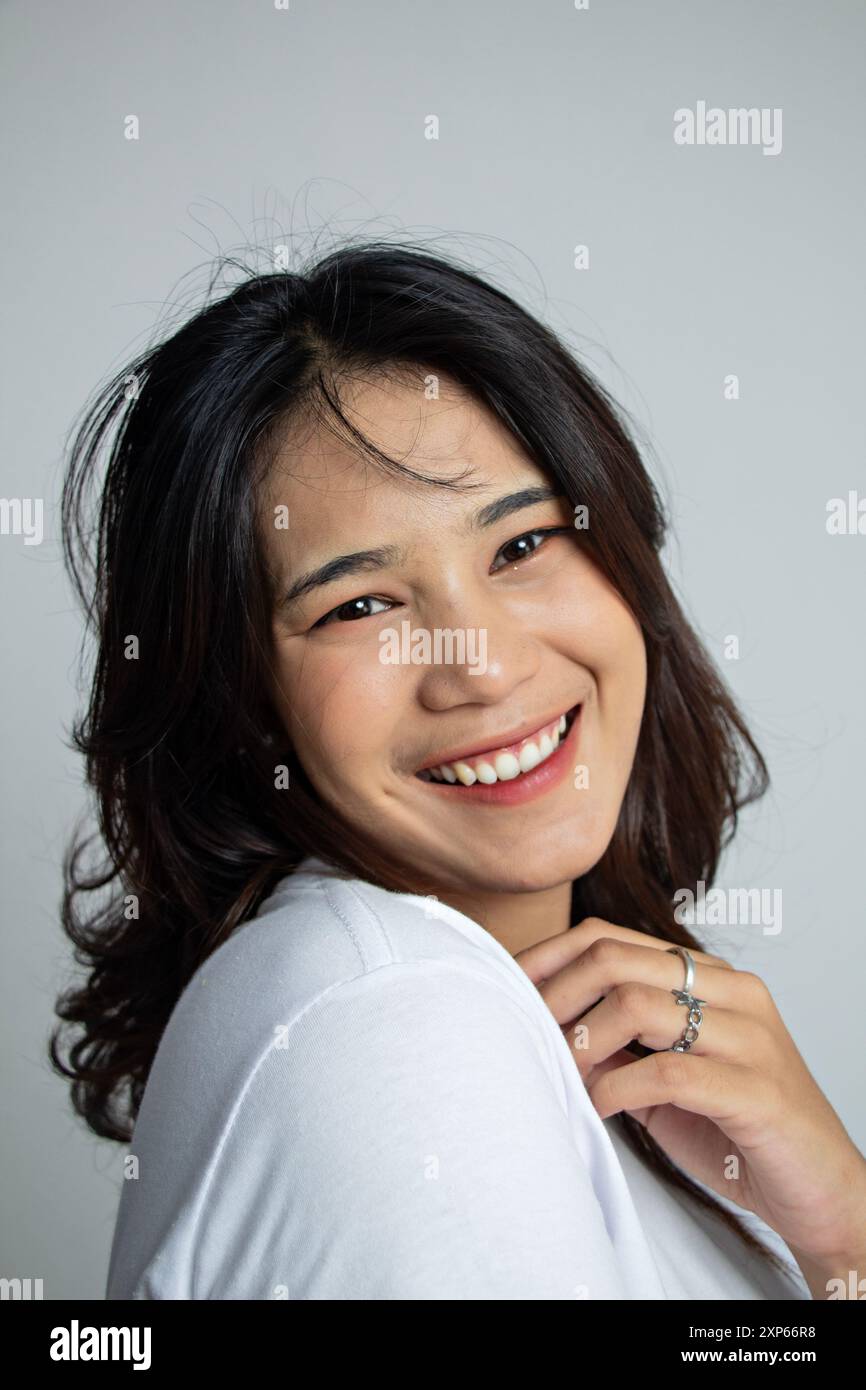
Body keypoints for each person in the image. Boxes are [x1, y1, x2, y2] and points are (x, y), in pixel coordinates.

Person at [51, 242, 866, 1299]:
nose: (479, 666)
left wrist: (842, 1237)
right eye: (359, 606)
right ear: (238, 699)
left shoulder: (519, 1042)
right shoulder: (393, 1017)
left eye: (521, 545)